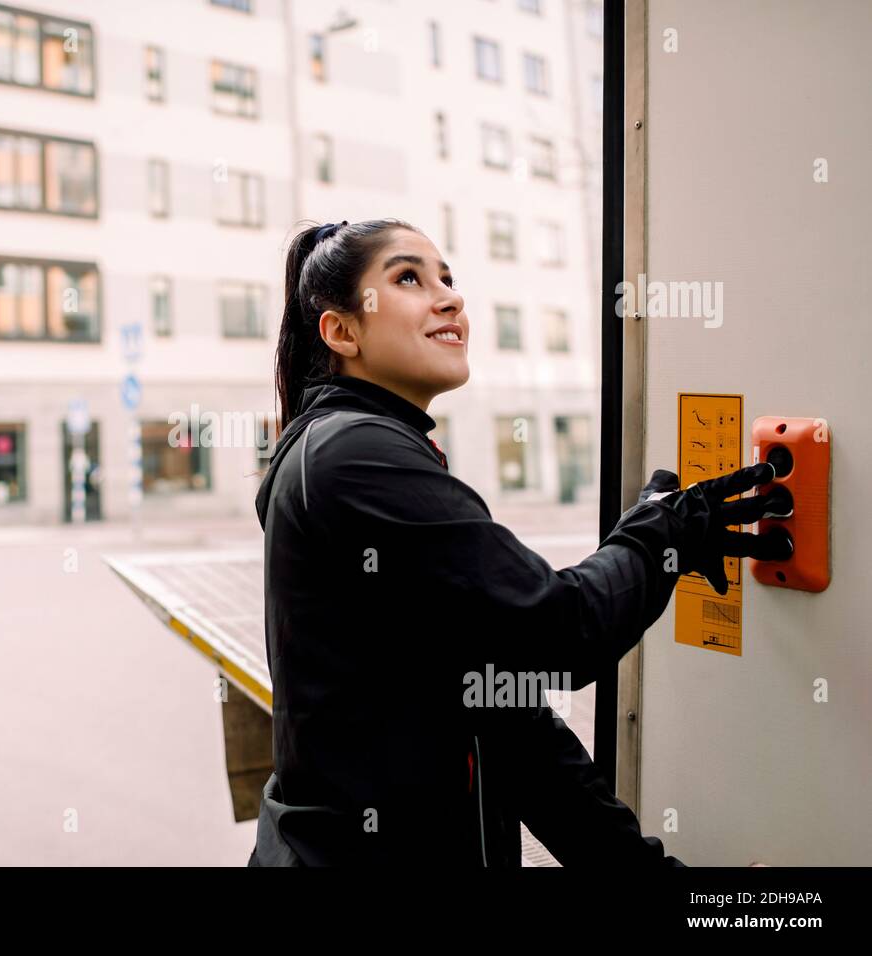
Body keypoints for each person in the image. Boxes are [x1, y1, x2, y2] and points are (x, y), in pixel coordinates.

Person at [247, 219, 791, 866]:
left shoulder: (371, 451)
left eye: (448, 277)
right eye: (409, 278)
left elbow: (509, 721)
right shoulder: (355, 455)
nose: (451, 297)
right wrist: (663, 532)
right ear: (342, 331)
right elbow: (556, 632)